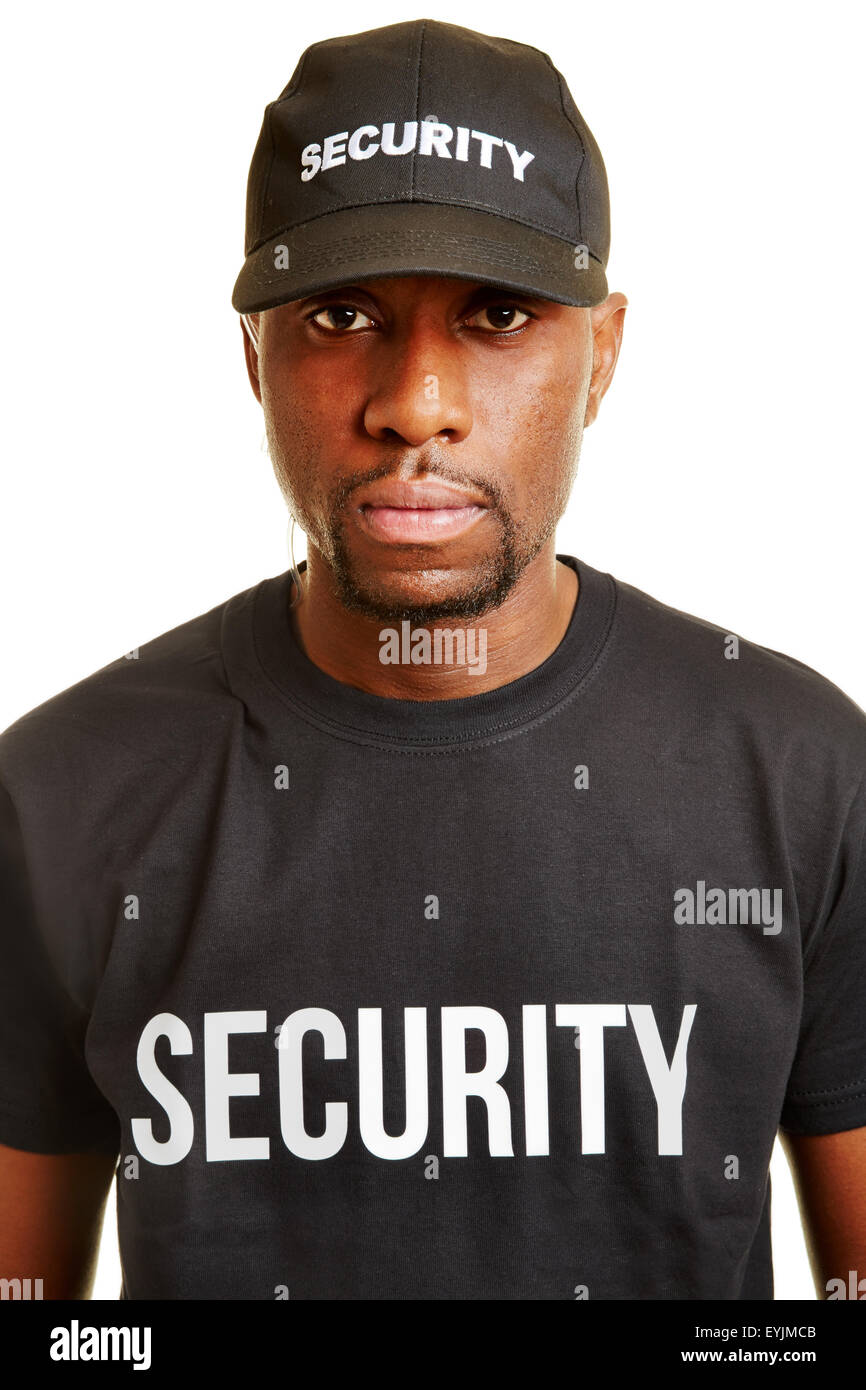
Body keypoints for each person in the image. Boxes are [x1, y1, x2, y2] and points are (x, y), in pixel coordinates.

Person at [1, 17, 864, 1302]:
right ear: (253, 356)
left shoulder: (799, 775)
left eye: (497, 314)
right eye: (340, 313)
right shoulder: (59, 794)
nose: (415, 401)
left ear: (603, 354)